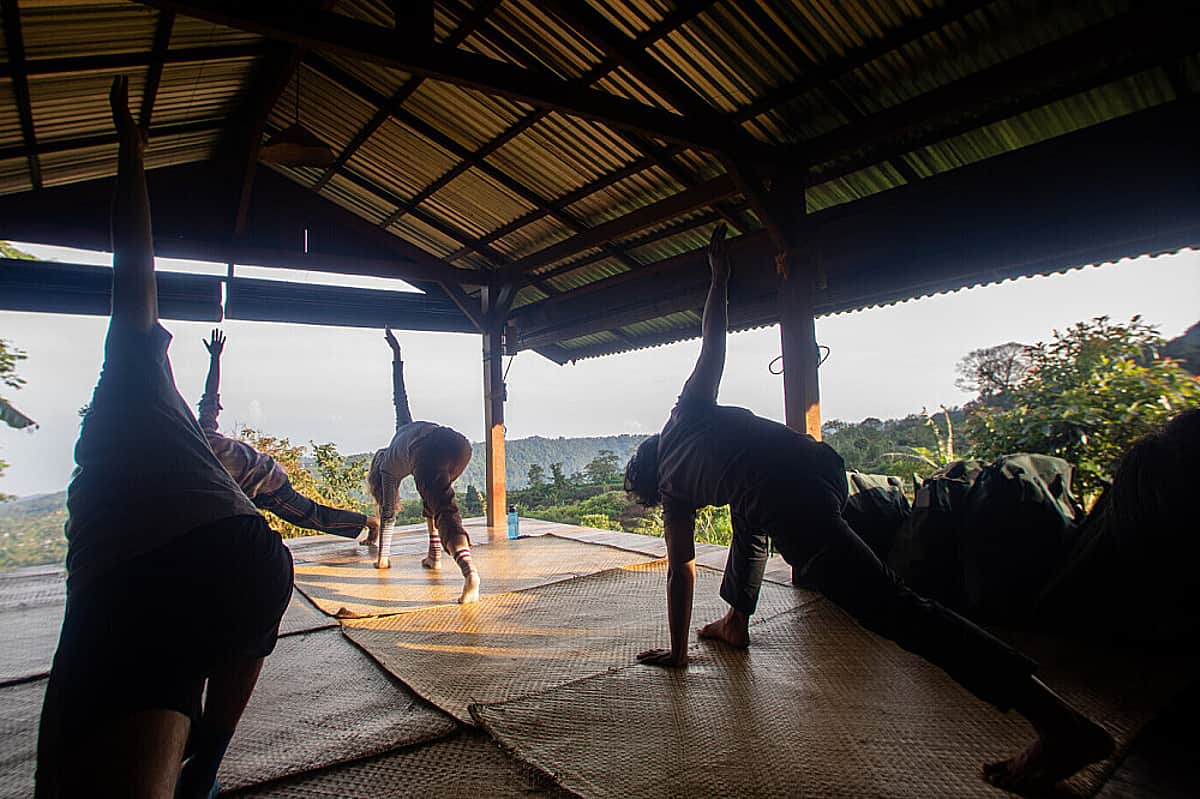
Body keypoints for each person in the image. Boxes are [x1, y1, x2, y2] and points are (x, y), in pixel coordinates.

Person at [625, 224, 1115, 794]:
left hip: (790, 498)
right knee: (747, 513)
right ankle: (736, 622)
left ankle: (1060, 724)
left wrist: (680, 654)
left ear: (653, 481)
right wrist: (717, 280)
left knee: (893, 607)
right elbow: (715, 340)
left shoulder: (675, 493)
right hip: (821, 466)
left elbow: (680, 568)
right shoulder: (686, 411)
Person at [35, 76, 294, 799]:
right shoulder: (168, 415)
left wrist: (130, 152)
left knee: (74, 745)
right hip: (249, 564)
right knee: (206, 638)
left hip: (139, 580)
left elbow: (133, 270)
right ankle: (207, 756)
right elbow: (143, 294)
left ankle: (199, 757)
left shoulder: (122, 393)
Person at [197, 328, 378, 541]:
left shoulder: (197, 446)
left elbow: (210, 396)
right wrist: (215, 358)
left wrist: (215, 359)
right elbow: (209, 397)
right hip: (254, 481)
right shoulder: (199, 433)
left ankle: (369, 523)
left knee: (311, 517)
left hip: (266, 482)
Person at [366, 328, 479, 604]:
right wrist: (397, 355)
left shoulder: (387, 469)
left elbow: (389, 515)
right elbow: (399, 395)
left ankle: (469, 573)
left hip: (429, 450)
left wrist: (383, 560)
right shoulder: (401, 429)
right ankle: (435, 557)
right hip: (457, 443)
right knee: (434, 500)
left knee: (444, 510)